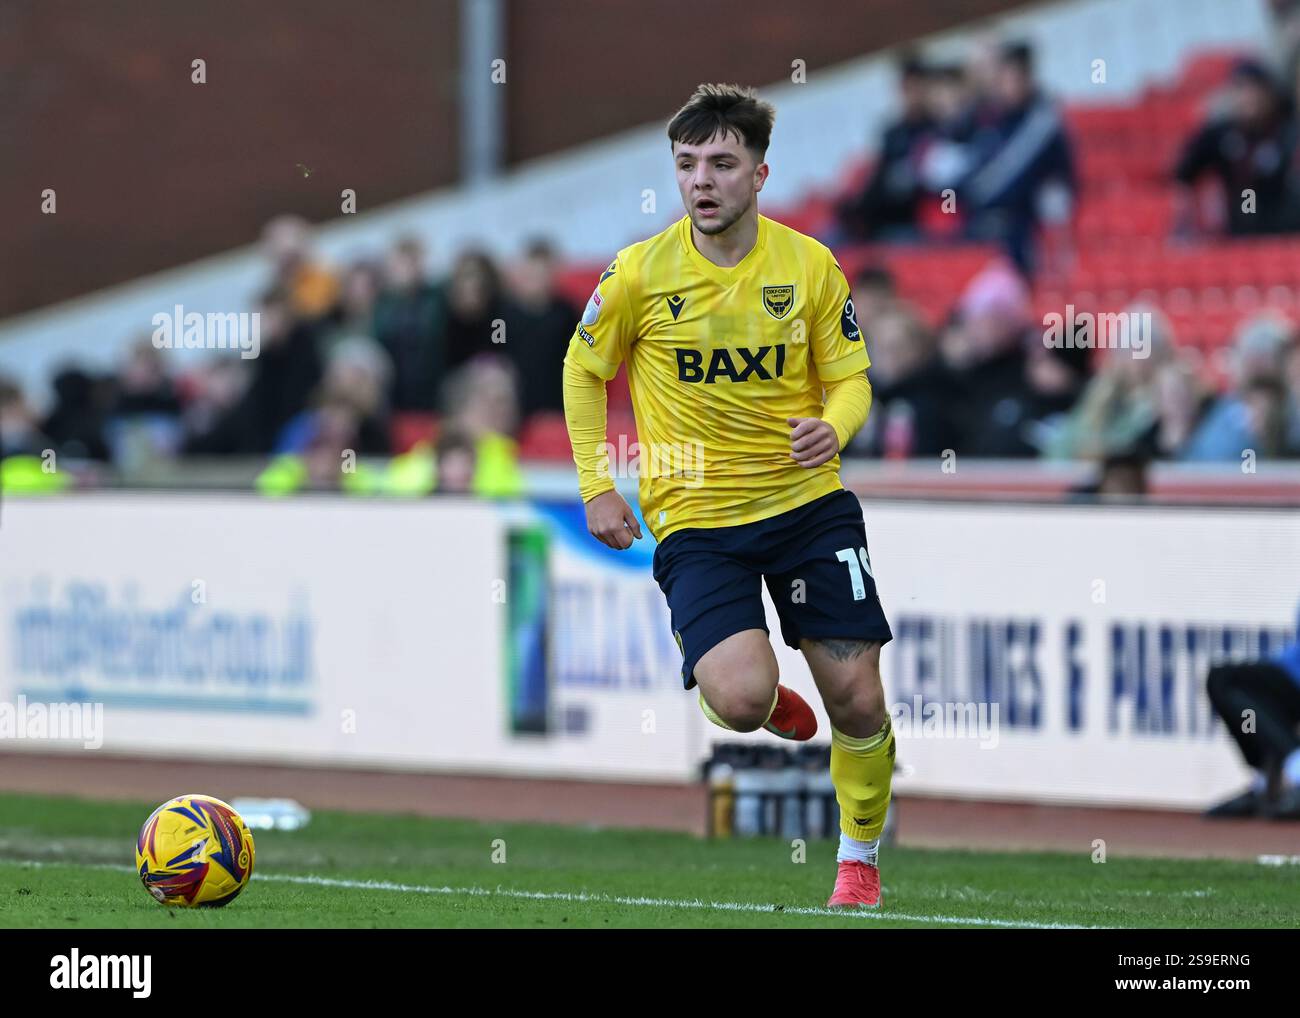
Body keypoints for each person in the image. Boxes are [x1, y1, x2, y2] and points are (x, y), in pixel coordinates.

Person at [562, 83, 894, 909]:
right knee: (742, 701)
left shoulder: (808, 266)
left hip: (807, 508)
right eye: (686, 164)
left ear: (759, 174)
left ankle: (858, 862)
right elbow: (582, 368)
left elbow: (852, 381)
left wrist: (835, 427)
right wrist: (597, 485)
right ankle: (749, 698)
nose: (701, 180)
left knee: (855, 697)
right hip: (698, 521)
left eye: (720, 162)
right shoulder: (639, 273)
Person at [1205, 608, 1300, 819]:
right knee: (1230, 689)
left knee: (1230, 681)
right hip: (1291, 681)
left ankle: (1295, 770)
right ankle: (1266, 779)